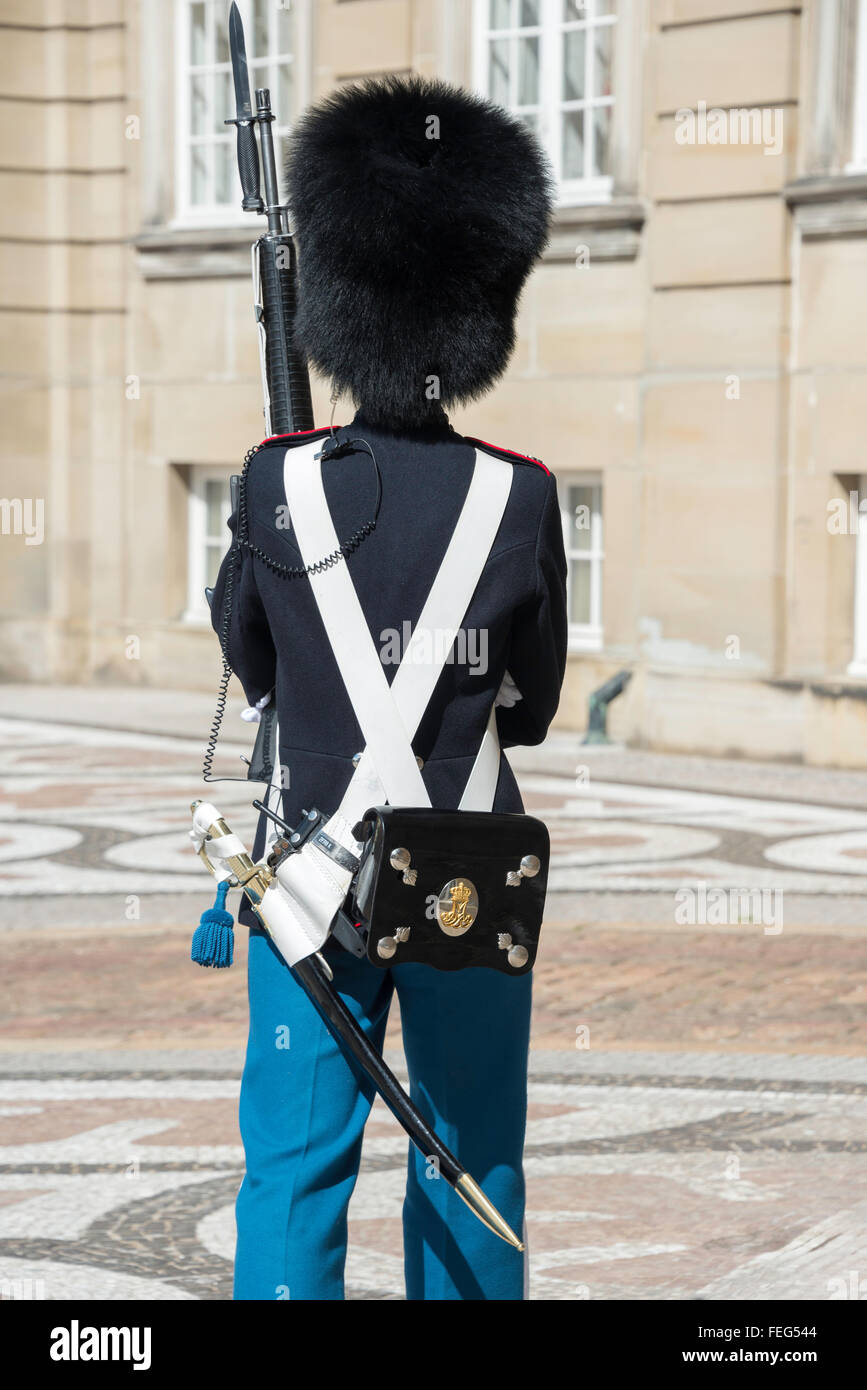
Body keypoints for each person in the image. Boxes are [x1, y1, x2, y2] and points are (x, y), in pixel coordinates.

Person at [211, 74, 568, 1301]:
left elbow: (251, 666)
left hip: (306, 873)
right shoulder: (519, 494)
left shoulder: (275, 482)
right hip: (467, 865)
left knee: (295, 1173)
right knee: (472, 1156)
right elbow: (534, 700)